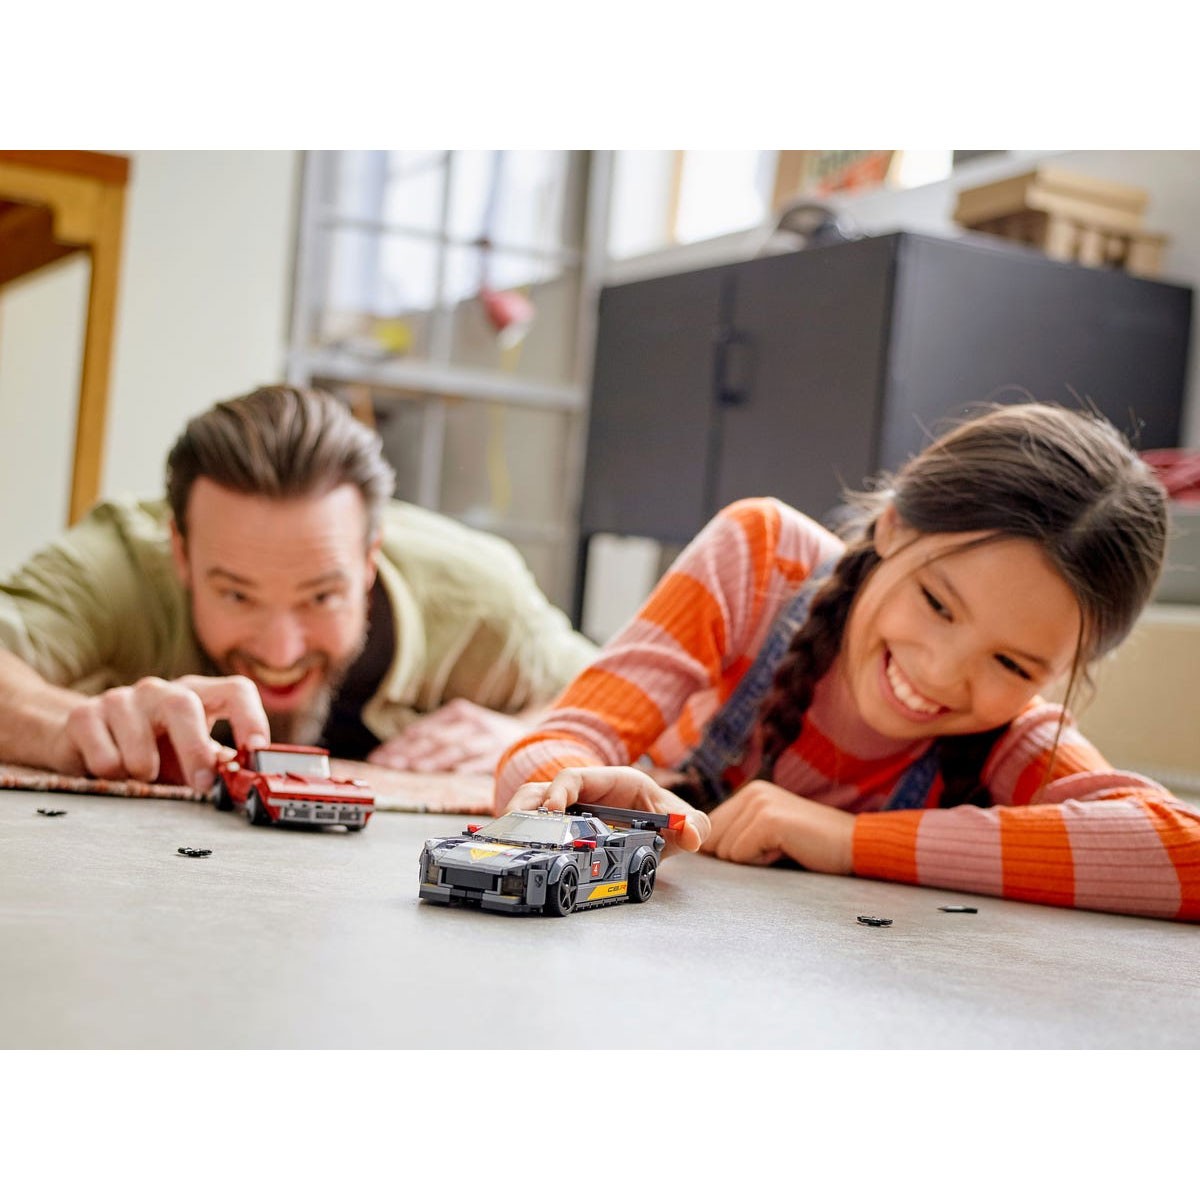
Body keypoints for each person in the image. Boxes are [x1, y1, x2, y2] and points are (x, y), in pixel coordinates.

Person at [497, 402, 1200, 922]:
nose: (941, 673)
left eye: (1014, 666)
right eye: (938, 603)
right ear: (894, 524)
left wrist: (848, 840)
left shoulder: (1014, 735)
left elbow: (1186, 853)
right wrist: (575, 792)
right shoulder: (763, 559)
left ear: (1059, 673)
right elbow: (552, 749)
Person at [0, 385, 595, 792]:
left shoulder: (478, 596)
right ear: (179, 552)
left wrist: (535, 732)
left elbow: (623, 696)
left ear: (369, 559)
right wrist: (66, 726)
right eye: (236, 595)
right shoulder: (116, 565)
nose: (281, 653)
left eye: (320, 597)